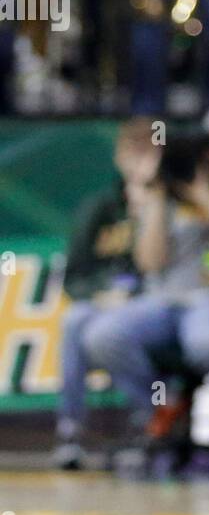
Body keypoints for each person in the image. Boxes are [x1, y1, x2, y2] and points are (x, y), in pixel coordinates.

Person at [81, 120, 209, 471]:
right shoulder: (168, 193)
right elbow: (149, 263)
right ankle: (161, 408)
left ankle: (188, 411)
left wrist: (203, 192)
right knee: (101, 334)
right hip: (162, 299)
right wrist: (157, 195)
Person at [53, 119, 159, 470]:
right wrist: (100, 294)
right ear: (120, 156)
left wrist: (148, 206)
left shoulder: (168, 200)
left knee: (111, 332)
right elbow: (74, 276)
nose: (141, 158)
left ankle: (147, 419)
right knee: (75, 321)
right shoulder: (99, 207)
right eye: (133, 150)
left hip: (150, 301)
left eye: (149, 148)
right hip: (104, 302)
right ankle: (70, 429)